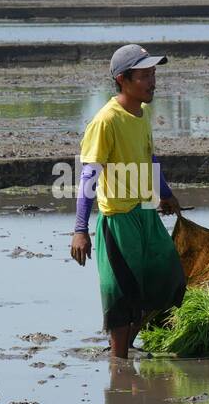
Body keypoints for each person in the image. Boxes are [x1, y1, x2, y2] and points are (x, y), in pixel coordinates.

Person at [71, 44, 186, 360]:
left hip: (146, 209)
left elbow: (148, 158)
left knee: (166, 280)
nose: (152, 82)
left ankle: (127, 350)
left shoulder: (143, 112)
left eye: (153, 74)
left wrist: (164, 192)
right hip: (119, 219)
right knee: (122, 294)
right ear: (123, 79)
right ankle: (118, 361)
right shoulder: (106, 121)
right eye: (144, 76)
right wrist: (81, 229)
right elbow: (89, 176)